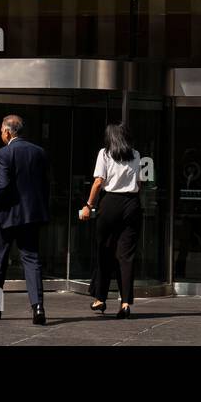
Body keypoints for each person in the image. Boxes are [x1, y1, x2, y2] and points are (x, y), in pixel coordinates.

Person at [0, 115, 50, 325]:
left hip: (6, 216)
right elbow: (45, 184)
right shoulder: (39, 152)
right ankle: (38, 307)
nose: (1, 135)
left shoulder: (3, 153)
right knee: (31, 260)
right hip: (31, 216)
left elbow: (2, 186)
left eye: (1, 131)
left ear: (7, 132)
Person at [79, 123, 142, 318]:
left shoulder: (104, 154)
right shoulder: (136, 154)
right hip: (132, 203)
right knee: (126, 255)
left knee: (104, 250)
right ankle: (125, 303)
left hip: (110, 203)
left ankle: (100, 299)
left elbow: (98, 181)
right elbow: (139, 182)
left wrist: (88, 205)